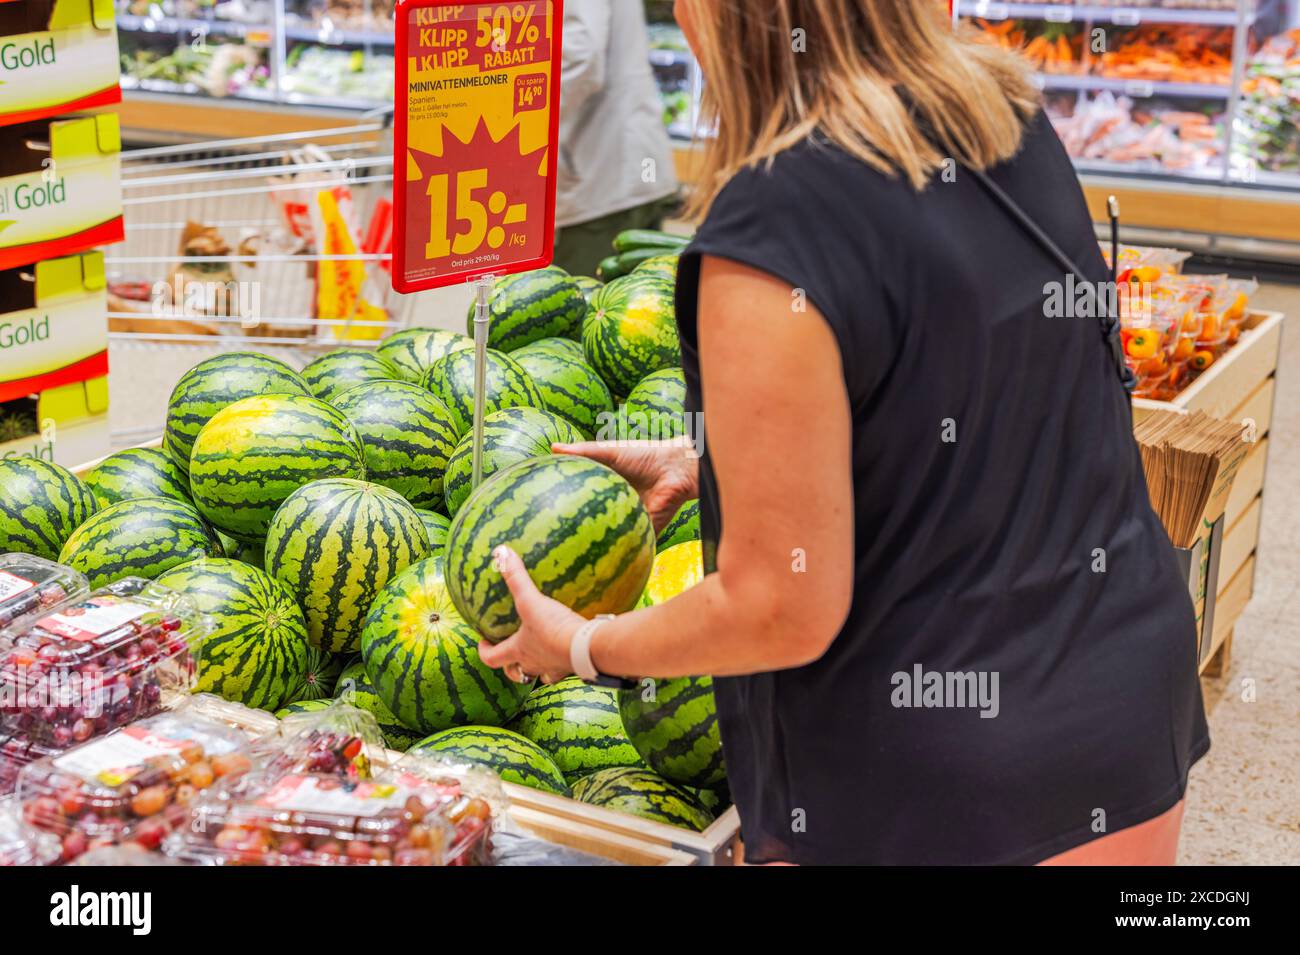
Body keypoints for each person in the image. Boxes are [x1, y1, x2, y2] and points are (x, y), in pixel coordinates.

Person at [480, 0, 1209, 865]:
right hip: (1121, 700)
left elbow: (777, 609)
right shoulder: (1000, 112)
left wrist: (586, 645)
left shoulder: (770, 233)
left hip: (939, 791)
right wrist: (719, 463)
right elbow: (974, 386)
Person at [553, 0, 679, 275]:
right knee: (637, 304)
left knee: (587, 304)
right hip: (628, 163)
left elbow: (580, 58)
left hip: (600, 173)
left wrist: (522, 123)